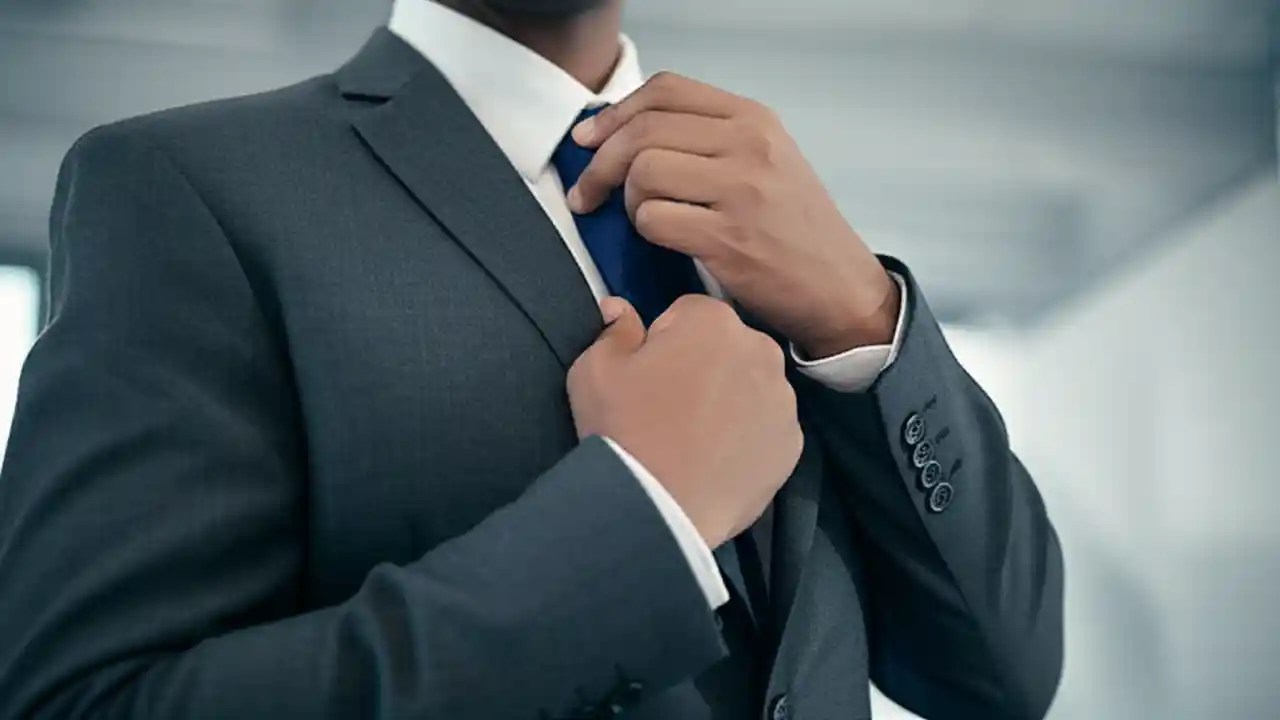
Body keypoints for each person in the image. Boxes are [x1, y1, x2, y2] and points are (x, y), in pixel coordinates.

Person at [0, 0, 1064, 717]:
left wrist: (859, 312)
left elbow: (998, 677)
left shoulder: (771, 218)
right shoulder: (186, 185)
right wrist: (645, 523)